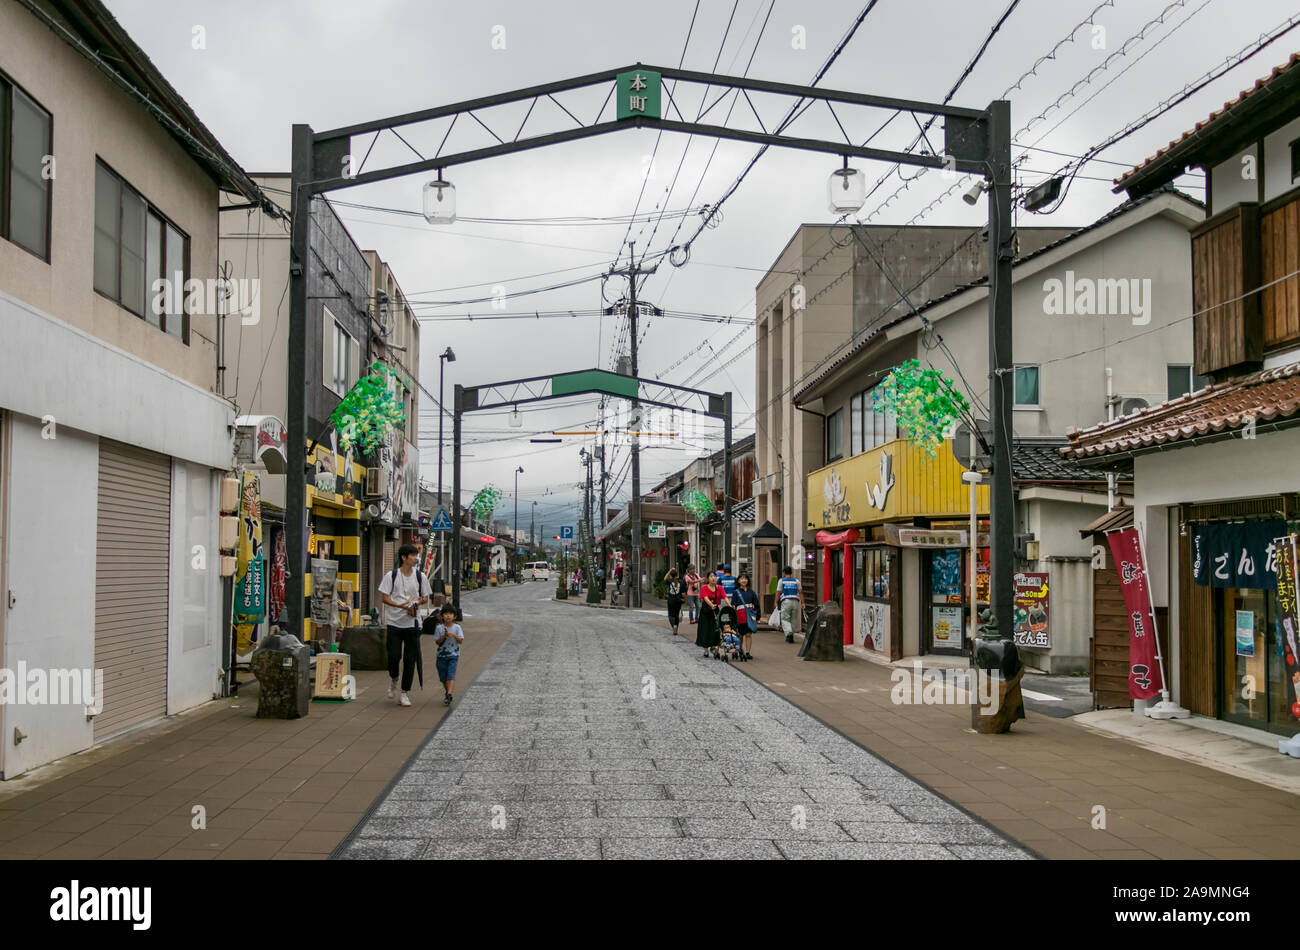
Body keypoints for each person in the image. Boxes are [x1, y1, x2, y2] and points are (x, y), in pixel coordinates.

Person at [378, 544, 432, 707]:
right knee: (393, 657)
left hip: (413, 623)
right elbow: (384, 598)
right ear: (404, 557)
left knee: (410, 659)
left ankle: (404, 693)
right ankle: (394, 679)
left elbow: (425, 597)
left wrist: (417, 603)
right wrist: (401, 606)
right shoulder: (391, 575)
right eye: (413, 556)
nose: (416, 558)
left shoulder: (420, 576)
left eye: (417, 556)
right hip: (394, 622)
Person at [433, 604, 463, 706]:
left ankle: (449, 694)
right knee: (443, 676)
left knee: (451, 674)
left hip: (453, 655)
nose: (448, 616)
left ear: (454, 616)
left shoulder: (457, 627)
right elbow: (437, 642)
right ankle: (447, 692)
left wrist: (454, 635)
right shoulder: (439, 628)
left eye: (450, 614)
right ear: (442, 616)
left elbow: (460, 640)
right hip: (441, 656)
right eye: (446, 614)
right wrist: (443, 636)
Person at [732, 573, 760, 660]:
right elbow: (733, 605)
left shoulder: (752, 592)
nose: (744, 580)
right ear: (738, 581)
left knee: (748, 634)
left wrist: (758, 616)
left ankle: (748, 652)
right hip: (740, 617)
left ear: (748, 580)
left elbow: (756, 604)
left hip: (749, 617)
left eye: (745, 579)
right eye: (741, 579)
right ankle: (740, 650)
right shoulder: (736, 592)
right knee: (740, 635)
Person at [696, 570, 723, 658]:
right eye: (711, 576)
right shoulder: (704, 587)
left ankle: (714, 646)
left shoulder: (719, 588)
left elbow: (725, 597)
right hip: (706, 611)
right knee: (705, 629)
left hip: (715, 610)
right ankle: (706, 649)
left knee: (715, 628)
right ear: (708, 578)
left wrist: (730, 606)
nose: (713, 578)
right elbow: (705, 598)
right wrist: (711, 605)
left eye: (714, 576)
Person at [777, 565, 803, 644]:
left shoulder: (782, 581)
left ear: (784, 573)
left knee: (785, 618)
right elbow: (800, 592)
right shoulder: (796, 581)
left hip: (786, 601)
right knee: (793, 619)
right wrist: (803, 602)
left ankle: (789, 633)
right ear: (791, 573)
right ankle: (791, 635)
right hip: (795, 601)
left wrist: (775, 602)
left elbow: (778, 592)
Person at [663, 568, 684, 636]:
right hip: (678, 600)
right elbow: (683, 593)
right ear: (677, 574)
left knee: (671, 615)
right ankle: (676, 627)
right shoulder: (681, 581)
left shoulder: (670, 581)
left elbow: (665, 578)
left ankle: (674, 626)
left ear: (671, 575)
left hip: (671, 600)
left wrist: (669, 571)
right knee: (676, 615)